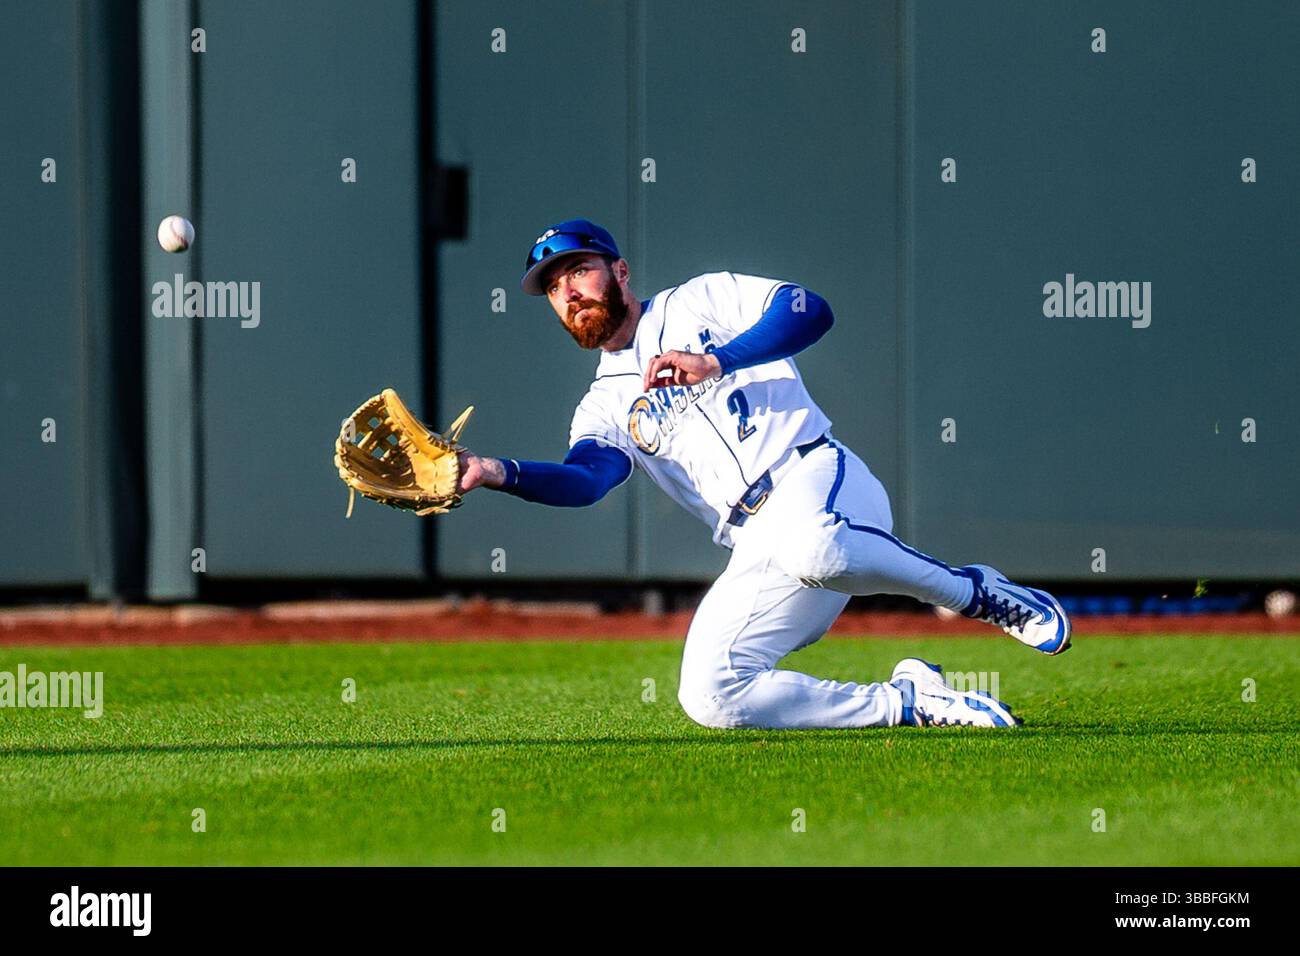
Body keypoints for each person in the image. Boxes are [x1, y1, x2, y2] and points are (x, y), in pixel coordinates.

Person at [454, 219, 1070, 730]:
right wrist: (492, 471)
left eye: (578, 271)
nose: (569, 293)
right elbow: (587, 479)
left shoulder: (698, 301)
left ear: (619, 272)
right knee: (711, 694)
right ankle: (908, 702)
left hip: (817, 480)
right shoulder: (603, 405)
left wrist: (717, 359)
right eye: (554, 287)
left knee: (816, 546)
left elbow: (810, 311)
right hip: (754, 542)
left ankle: (974, 593)